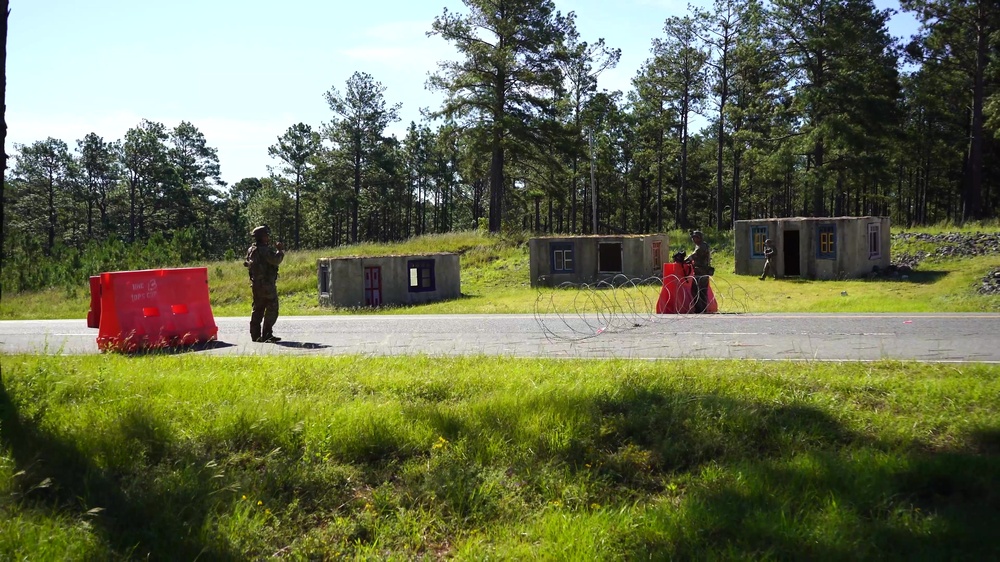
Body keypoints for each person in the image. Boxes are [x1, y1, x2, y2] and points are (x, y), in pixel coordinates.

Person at [244, 225, 285, 342]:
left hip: (256, 284)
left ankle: (255, 335)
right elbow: (276, 260)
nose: (268, 237)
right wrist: (280, 251)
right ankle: (267, 334)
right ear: (262, 237)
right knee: (272, 307)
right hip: (266, 285)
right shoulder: (264, 250)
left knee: (258, 308)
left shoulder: (251, 249)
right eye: (266, 235)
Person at [686, 230, 713, 313]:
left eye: (696, 238)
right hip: (701, 271)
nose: (694, 239)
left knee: (697, 290)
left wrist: (685, 260)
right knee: (701, 290)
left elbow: (694, 255)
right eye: (693, 238)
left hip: (701, 271)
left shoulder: (701, 246)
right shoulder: (701, 245)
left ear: (700, 238)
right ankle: (702, 309)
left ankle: (700, 309)